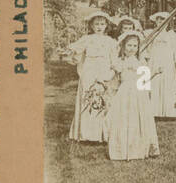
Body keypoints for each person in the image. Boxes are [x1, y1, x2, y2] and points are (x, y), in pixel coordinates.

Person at [106, 30, 159, 161]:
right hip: (124, 92)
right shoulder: (120, 62)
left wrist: (155, 72)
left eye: (135, 46)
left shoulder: (140, 62)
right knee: (123, 118)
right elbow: (112, 76)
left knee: (138, 118)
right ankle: (122, 149)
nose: (132, 48)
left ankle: (137, 149)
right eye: (129, 45)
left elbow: (145, 80)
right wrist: (102, 80)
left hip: (138, 93)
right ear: (123, 46)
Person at [68, 10, 117, 142]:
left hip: (104, 70)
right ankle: (86, 134)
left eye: (102, 24)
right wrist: (71, 51)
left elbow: (114, 60)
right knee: (88, 97)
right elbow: (75, 52)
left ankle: (102, 133)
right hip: (89, 70)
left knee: (103, 98)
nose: (99, 27)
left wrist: (110, 74)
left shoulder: (110, 41)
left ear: (106, 25)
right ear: (92, 26)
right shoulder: (87, 39)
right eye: (96, 24)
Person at [145, 12, 176, 119]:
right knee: (154, 82)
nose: (161, 22)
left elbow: (175, 48)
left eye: (163, 20)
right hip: (155, 60)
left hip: (167, 61)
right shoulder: (151, 34)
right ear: (155, 22)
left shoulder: (171, 35)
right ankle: (153, 110)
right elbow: (148, 48)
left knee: (167, 83)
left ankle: (169, 111)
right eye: (159, 20)